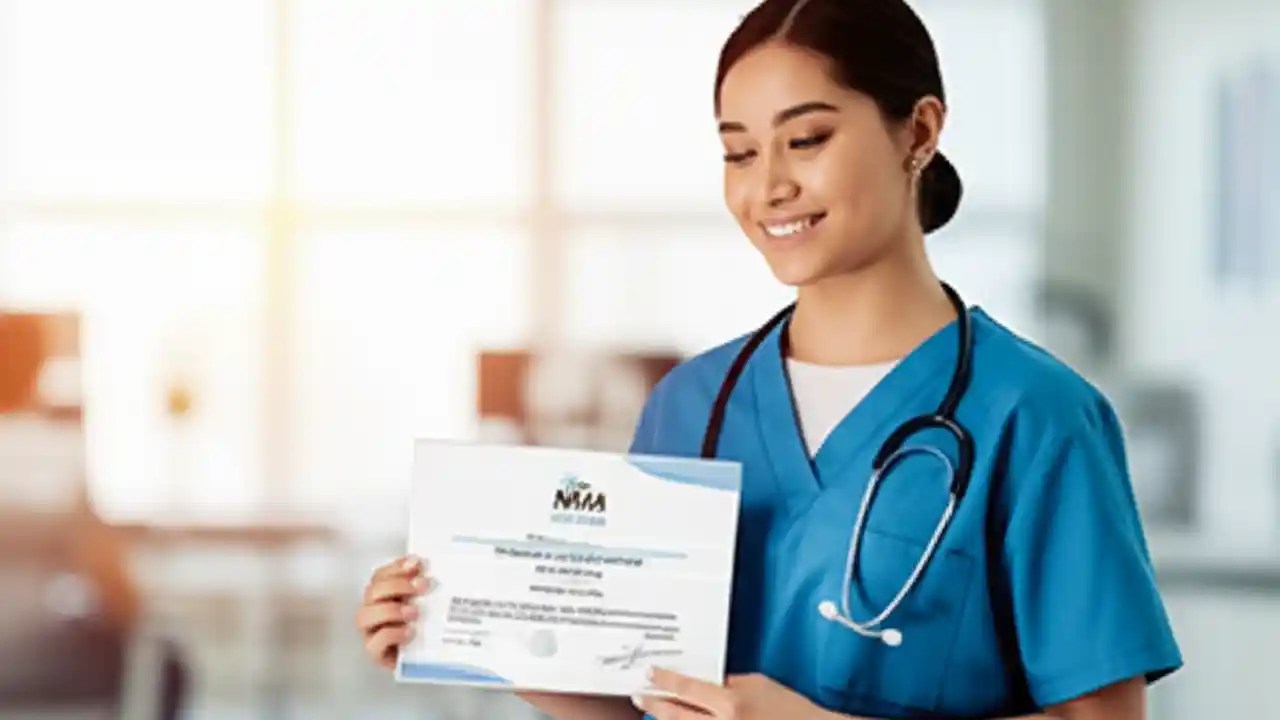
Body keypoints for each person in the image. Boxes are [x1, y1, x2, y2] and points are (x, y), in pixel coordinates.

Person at [355, 0, 1183, 718]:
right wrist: (462, 632)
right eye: (740, 153)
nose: (769, 187)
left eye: (807, 139)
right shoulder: (692, 404)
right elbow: (646, 694)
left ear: (920, 131)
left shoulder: (1035, 416)